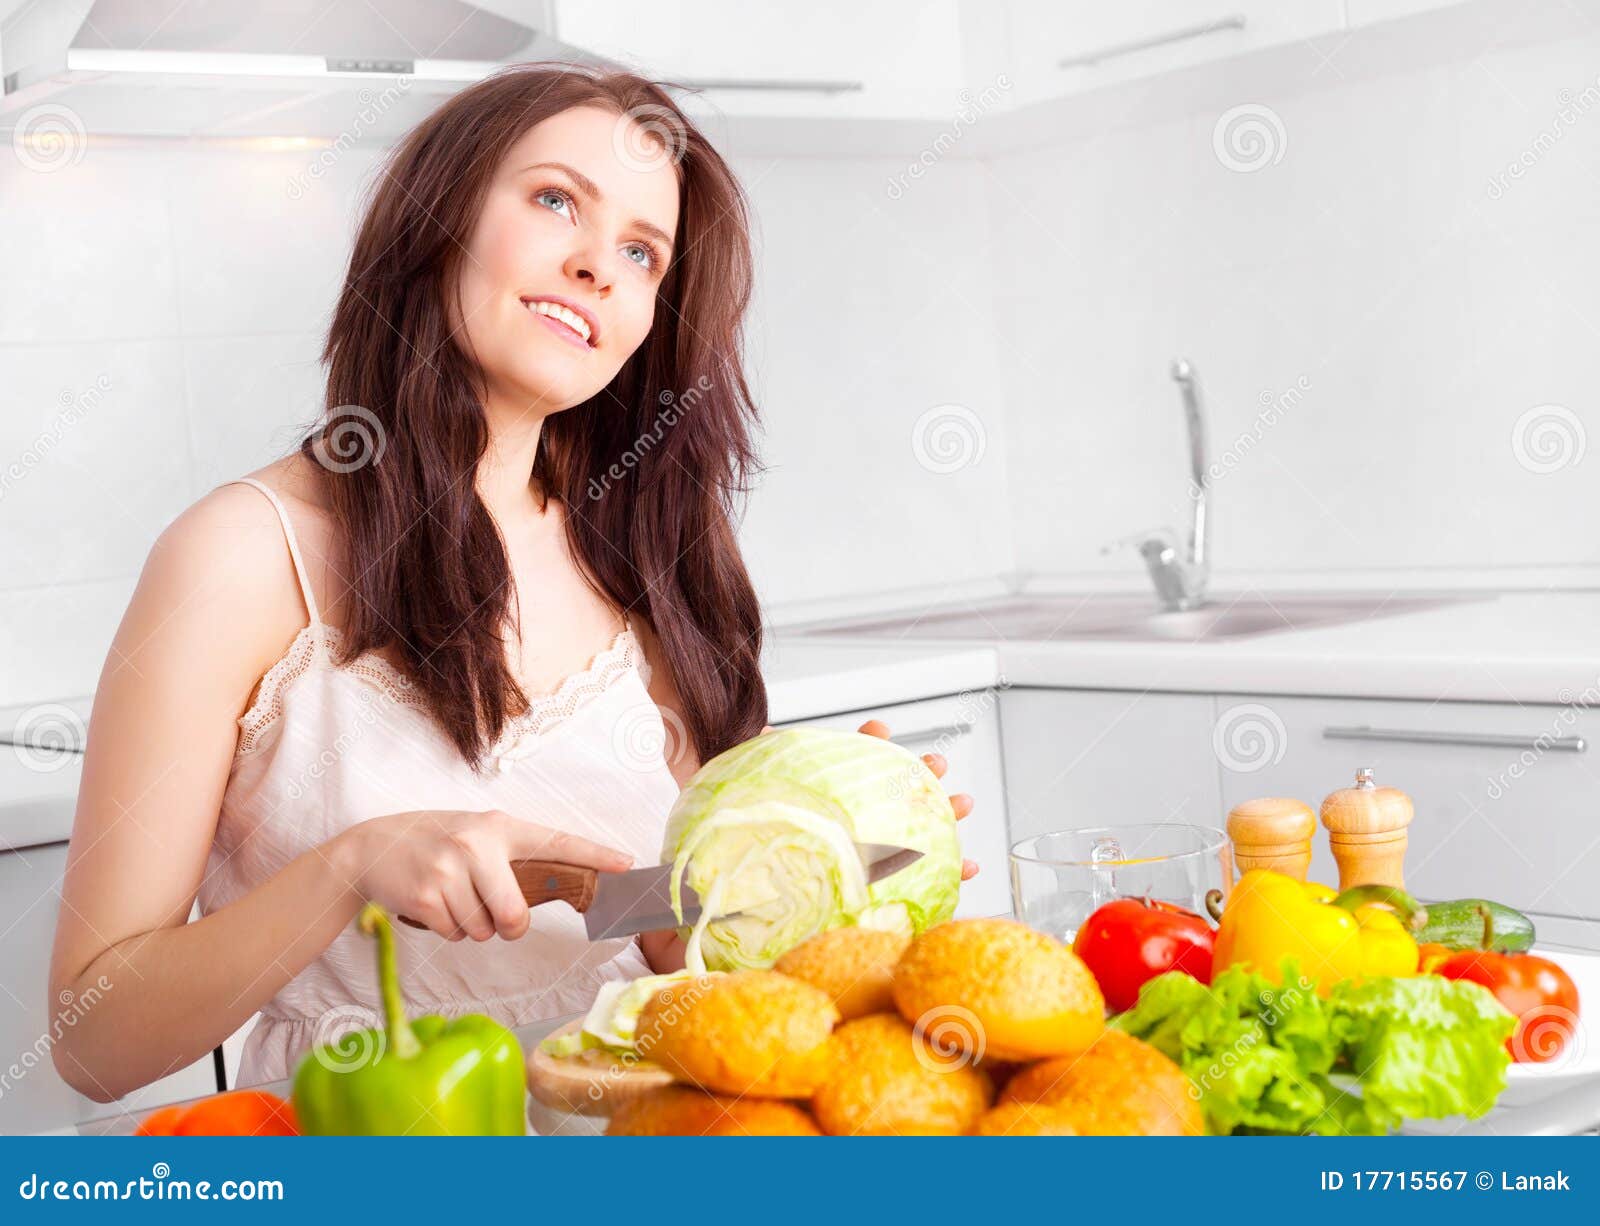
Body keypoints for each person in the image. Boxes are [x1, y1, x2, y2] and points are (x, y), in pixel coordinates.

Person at [48, 65, 976, 1099]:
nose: (599, 267)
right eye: (553, 200)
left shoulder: (648, 558)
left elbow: (676, 951)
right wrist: (350, 868)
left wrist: (816, 852)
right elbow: (95, 1041)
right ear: (437, 219)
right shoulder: (243, 551)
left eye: (641, 252)